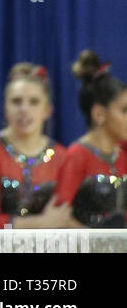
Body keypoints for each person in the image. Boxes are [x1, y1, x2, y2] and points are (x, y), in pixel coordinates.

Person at [0, 64, 70, 229]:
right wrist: (41, 223)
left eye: (34, 102)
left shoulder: (62, 157)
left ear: (47, 110)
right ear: (5, 109)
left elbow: (64, 220)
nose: (24, 109)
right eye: (16, 101)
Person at [55, 51, 127, 226]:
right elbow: (59, 217)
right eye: (124, 111)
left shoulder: (123, 153)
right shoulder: (77, 155)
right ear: (99, 114)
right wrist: (94, 239)